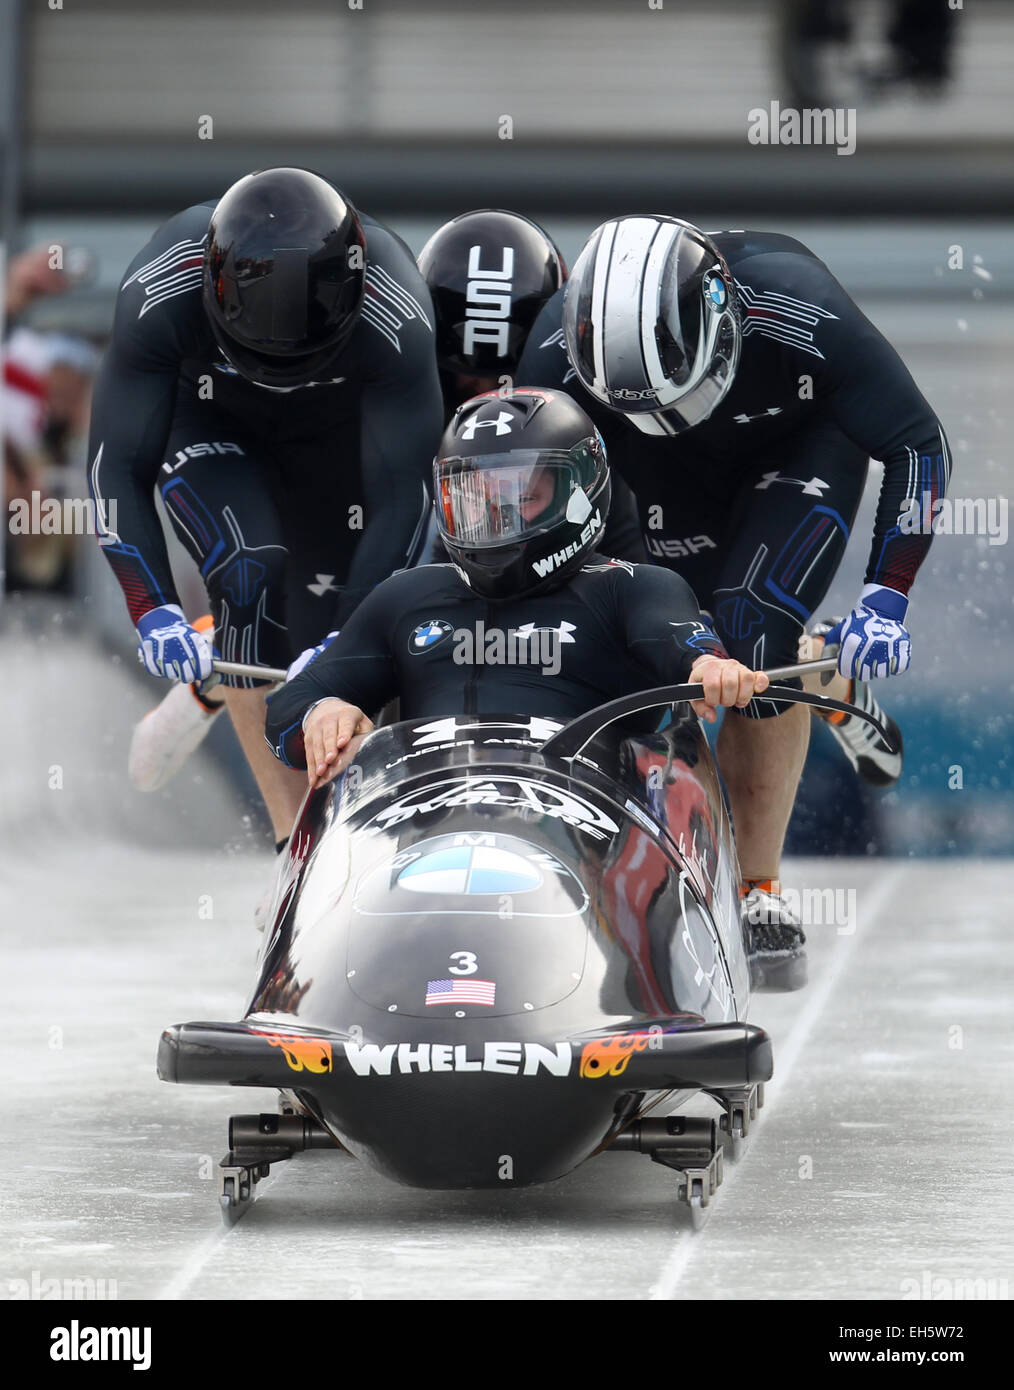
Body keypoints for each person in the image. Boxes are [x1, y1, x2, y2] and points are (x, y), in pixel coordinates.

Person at [264, 389, 798, 986]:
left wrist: (708, 666)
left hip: (586, 842)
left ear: (577, 490)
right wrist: (324, 708)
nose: (497, 510)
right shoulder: (406, 598)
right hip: (429, 835)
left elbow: (679, 640)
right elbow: (287, 708)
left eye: (524, 490)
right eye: (476, 492)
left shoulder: (631, 590)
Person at [515, 214, 950, 945]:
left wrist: (886, 598)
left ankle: (758, 889)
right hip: (636, 474)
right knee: (623, 636)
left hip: (793, 452)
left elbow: (916, 442)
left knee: (752, 637)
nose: (668, 419)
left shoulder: (803, 311)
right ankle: (814, 687)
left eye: (672, 400)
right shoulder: (552, 357)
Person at [87, 167, 443, 913]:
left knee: (367, 627)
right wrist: (150, 607)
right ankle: (298, 858)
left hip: (340, 448)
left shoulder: (396, 313)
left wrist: (353, 639)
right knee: (249, 572)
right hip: (211, 424)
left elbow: (405, 502)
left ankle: (348, 820)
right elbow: (116, 466)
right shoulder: (161, 287)